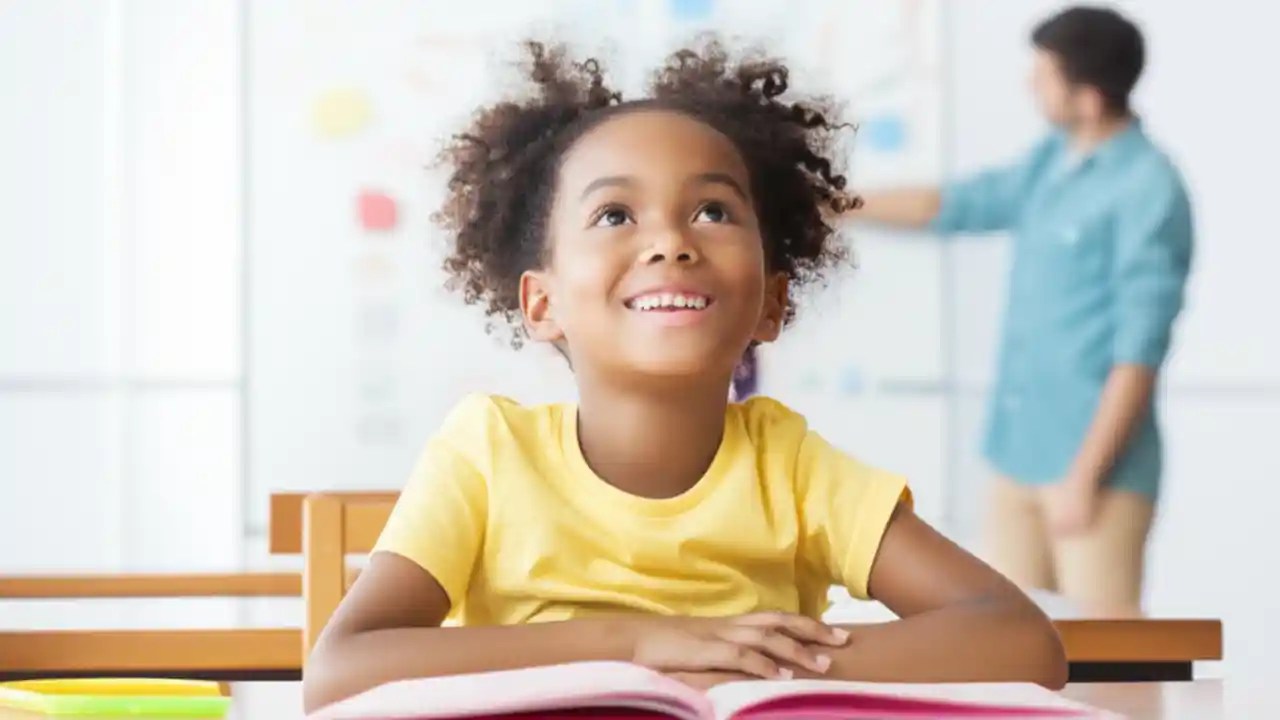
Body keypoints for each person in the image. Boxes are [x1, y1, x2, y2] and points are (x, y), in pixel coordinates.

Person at [302, 39, 1066, 712]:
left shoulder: (792, 469)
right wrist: (637, 646)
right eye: (613, 216)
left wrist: (747, 670)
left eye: (712, 211)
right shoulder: (486, 452)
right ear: (543, 303)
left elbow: (1021, 640)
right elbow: (342, 672)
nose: (670, 240)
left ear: (772, 302)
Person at [852, 7, 1193, 618]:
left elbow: (1137, 355)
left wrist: (1084, 478)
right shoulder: (1050, 161)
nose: (1030, 85)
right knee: (1009, 652)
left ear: (1086, 97)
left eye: (1043, 74)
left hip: (1095, 473)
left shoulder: (1149, 188)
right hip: (1015, 456)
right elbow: (951, 205)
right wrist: (834, 201)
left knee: (1104, 671)